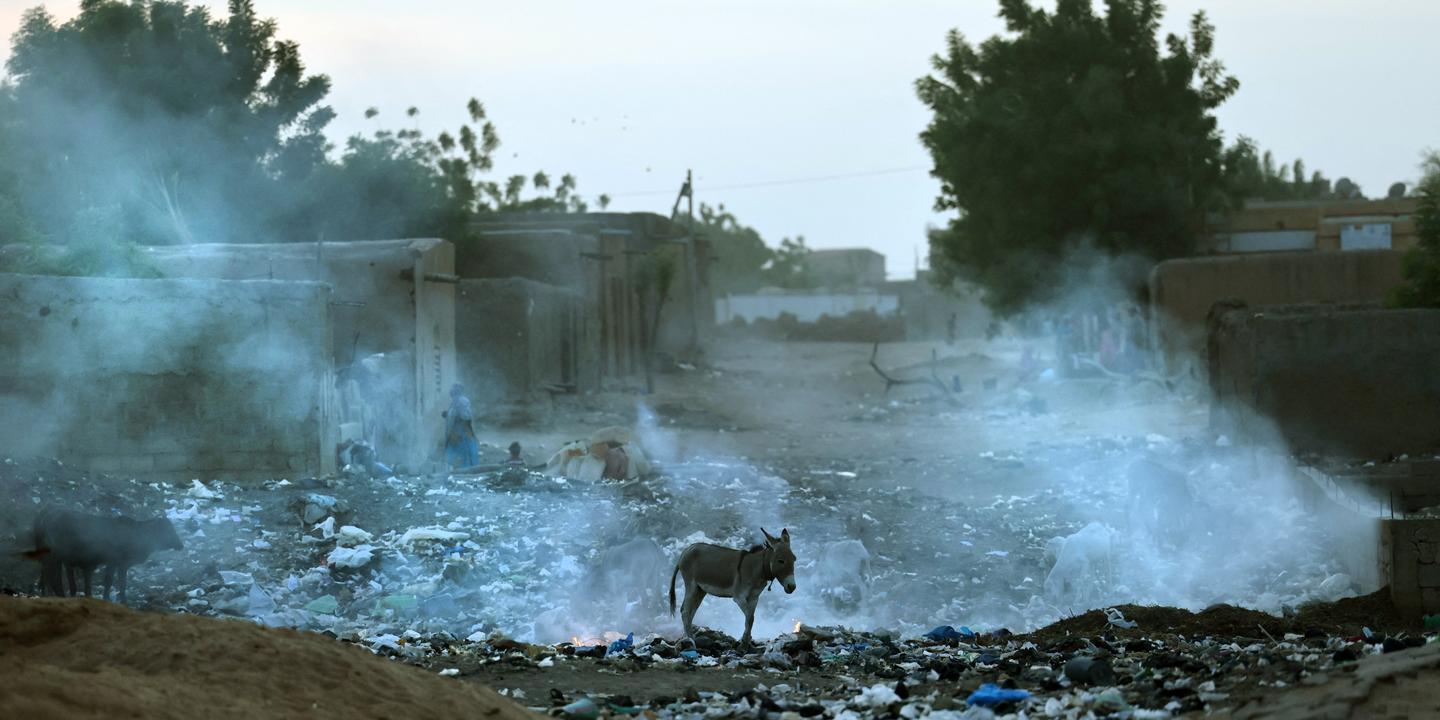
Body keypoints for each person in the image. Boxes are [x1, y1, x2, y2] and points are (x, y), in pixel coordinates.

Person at [443, 383, 479, 469]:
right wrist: (447, 414)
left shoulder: (462, 401)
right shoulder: (455, 401)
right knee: (453, 454)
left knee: (465, 453)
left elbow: (465, 417)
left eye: (454, 388)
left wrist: (459, 432)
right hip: (456, 432)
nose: (451, 391)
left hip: (461, 433)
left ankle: (467, 471)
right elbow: (455, 414)